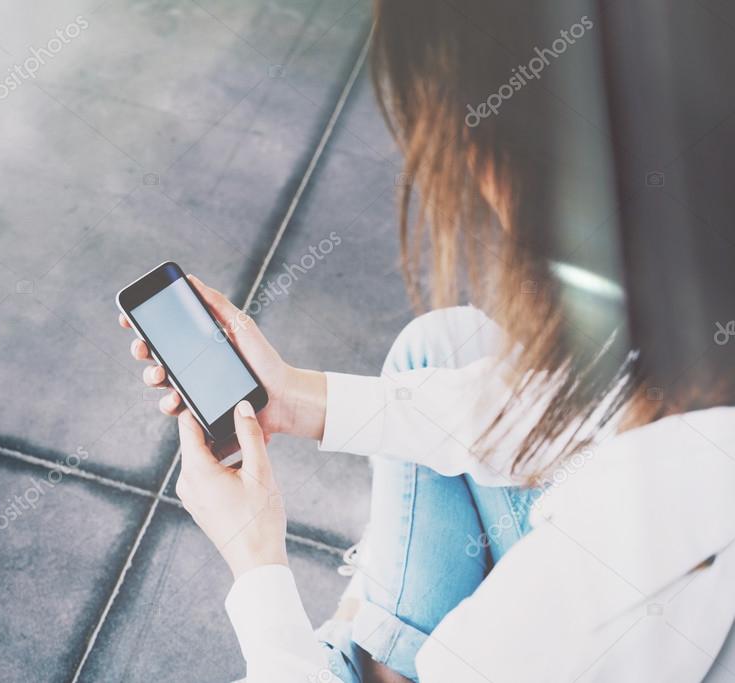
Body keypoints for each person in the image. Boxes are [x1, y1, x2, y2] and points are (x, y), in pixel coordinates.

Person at [120, 2, 735, 681]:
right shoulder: (701, 328)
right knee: (440, 346)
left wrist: (256, 561)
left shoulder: (604, 586)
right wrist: (296, 398)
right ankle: (378, 642)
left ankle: (362, 651)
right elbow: (595, 396)